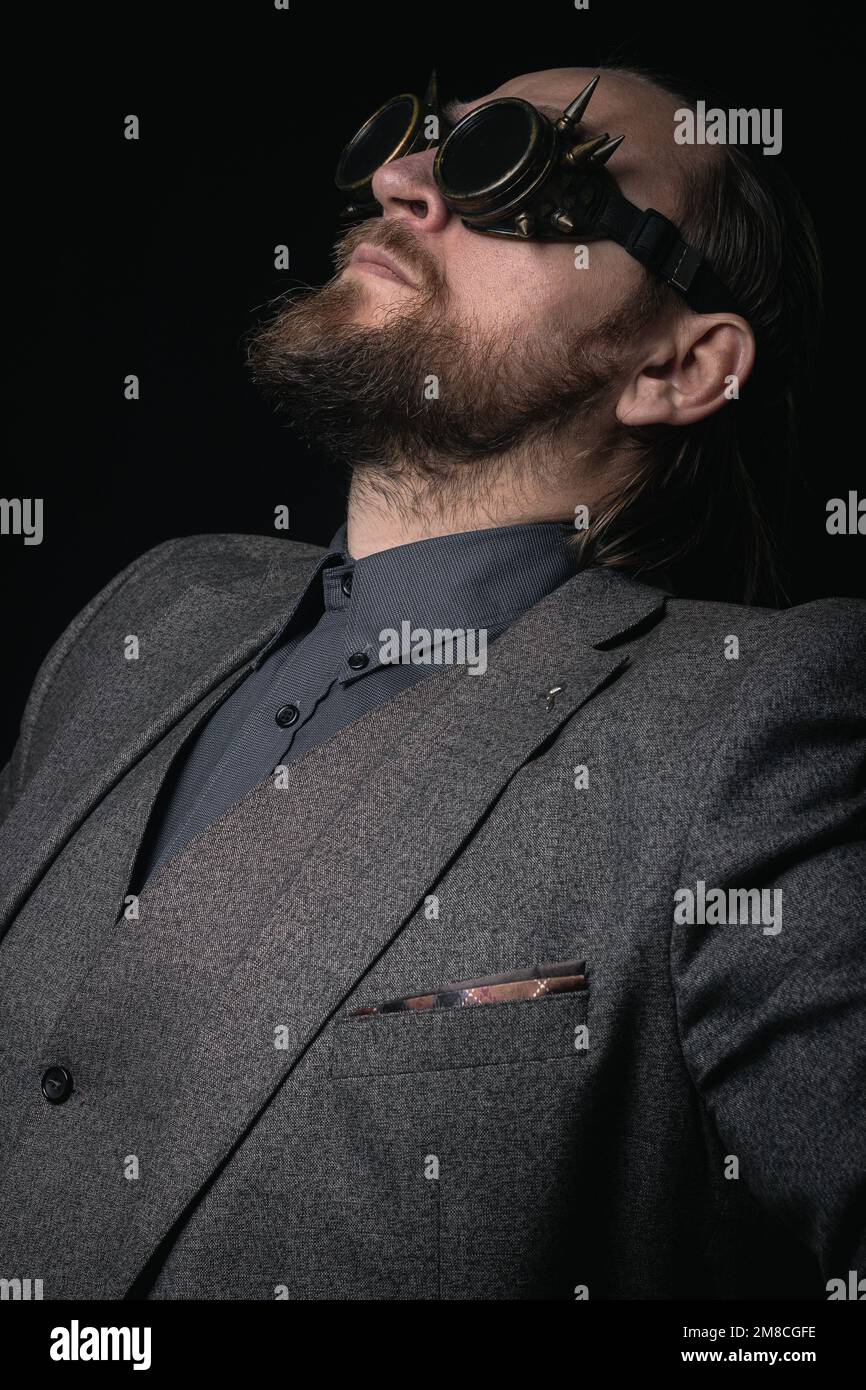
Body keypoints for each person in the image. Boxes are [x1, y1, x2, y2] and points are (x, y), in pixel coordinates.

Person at [0, 65, 863, 1300]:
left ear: (675, 367)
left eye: (529, 171)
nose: (403, 184)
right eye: (427, 142)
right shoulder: (157, 606)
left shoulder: (760, 727)